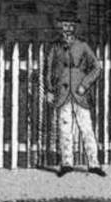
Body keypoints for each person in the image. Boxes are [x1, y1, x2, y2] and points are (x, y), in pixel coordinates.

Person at [43, 16, 106, 177]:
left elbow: (96, 67)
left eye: (71, 25)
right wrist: (50, 90)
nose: (68, 29)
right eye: (65, 25)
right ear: (60, 27)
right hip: (62, 94)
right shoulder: (55, 47)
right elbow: (49, 70)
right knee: (64, 130)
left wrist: (84, 85)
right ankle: (66, 164)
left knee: (86, 129)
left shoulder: (83, 46)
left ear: (75, 28)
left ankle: (94, 164)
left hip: (80, 94)